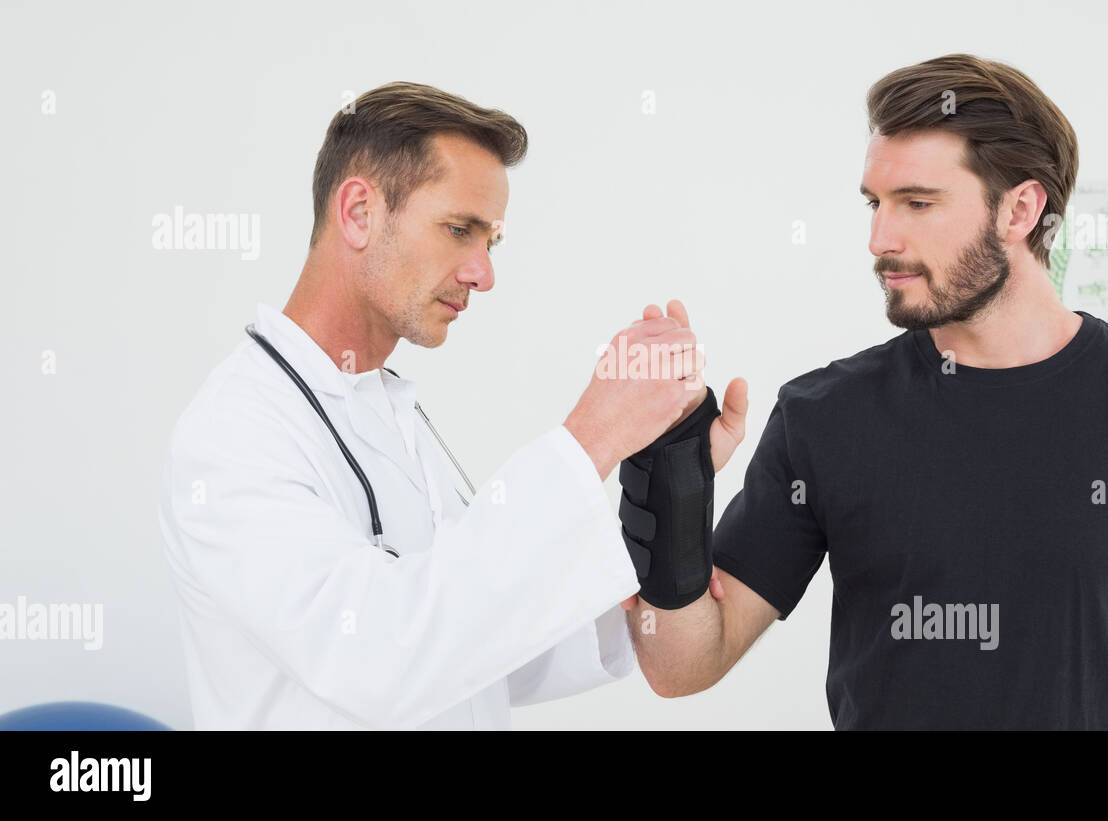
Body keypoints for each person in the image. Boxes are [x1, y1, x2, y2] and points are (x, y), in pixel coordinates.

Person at [625, 54, 1108, 730]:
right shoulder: (822, 416)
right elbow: (682, 666)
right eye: (875, 204)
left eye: (917, 202)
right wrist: (669, 478)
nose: (881, 239)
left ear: (1020, 209)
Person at [157, 81, 744, 729]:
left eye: (491, 241)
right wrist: (591, 437)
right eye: (459, 229)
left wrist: (664, 479)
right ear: (358, 212)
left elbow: (487, 644)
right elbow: (378, 656)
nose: (483, 272)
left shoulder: (390, 410)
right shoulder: (234, 433)